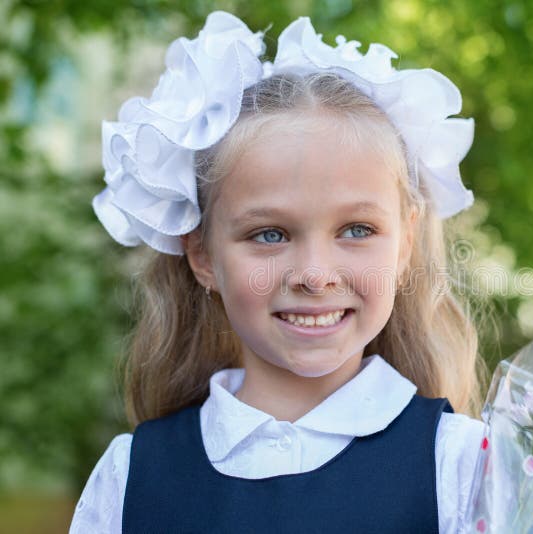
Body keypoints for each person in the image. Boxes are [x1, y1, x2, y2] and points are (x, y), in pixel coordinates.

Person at [70, 10, 489, 533]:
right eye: (270, 235)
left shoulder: (466, 468)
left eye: (357, 229)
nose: (315, 275)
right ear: (202, 256)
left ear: (405, 244)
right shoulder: (131, 477)